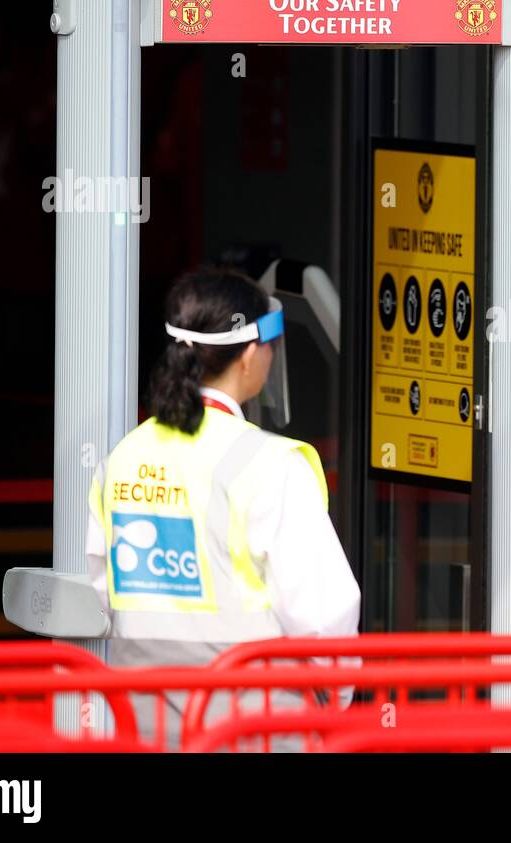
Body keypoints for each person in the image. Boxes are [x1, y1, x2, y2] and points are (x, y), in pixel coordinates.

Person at [85, 267, 360, 740]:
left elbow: (101, 594)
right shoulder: (273, 464)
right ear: (251, 353)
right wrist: (329, 703)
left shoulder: (123, 458)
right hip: (254, 727)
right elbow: (324, 619)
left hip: (145, 725)